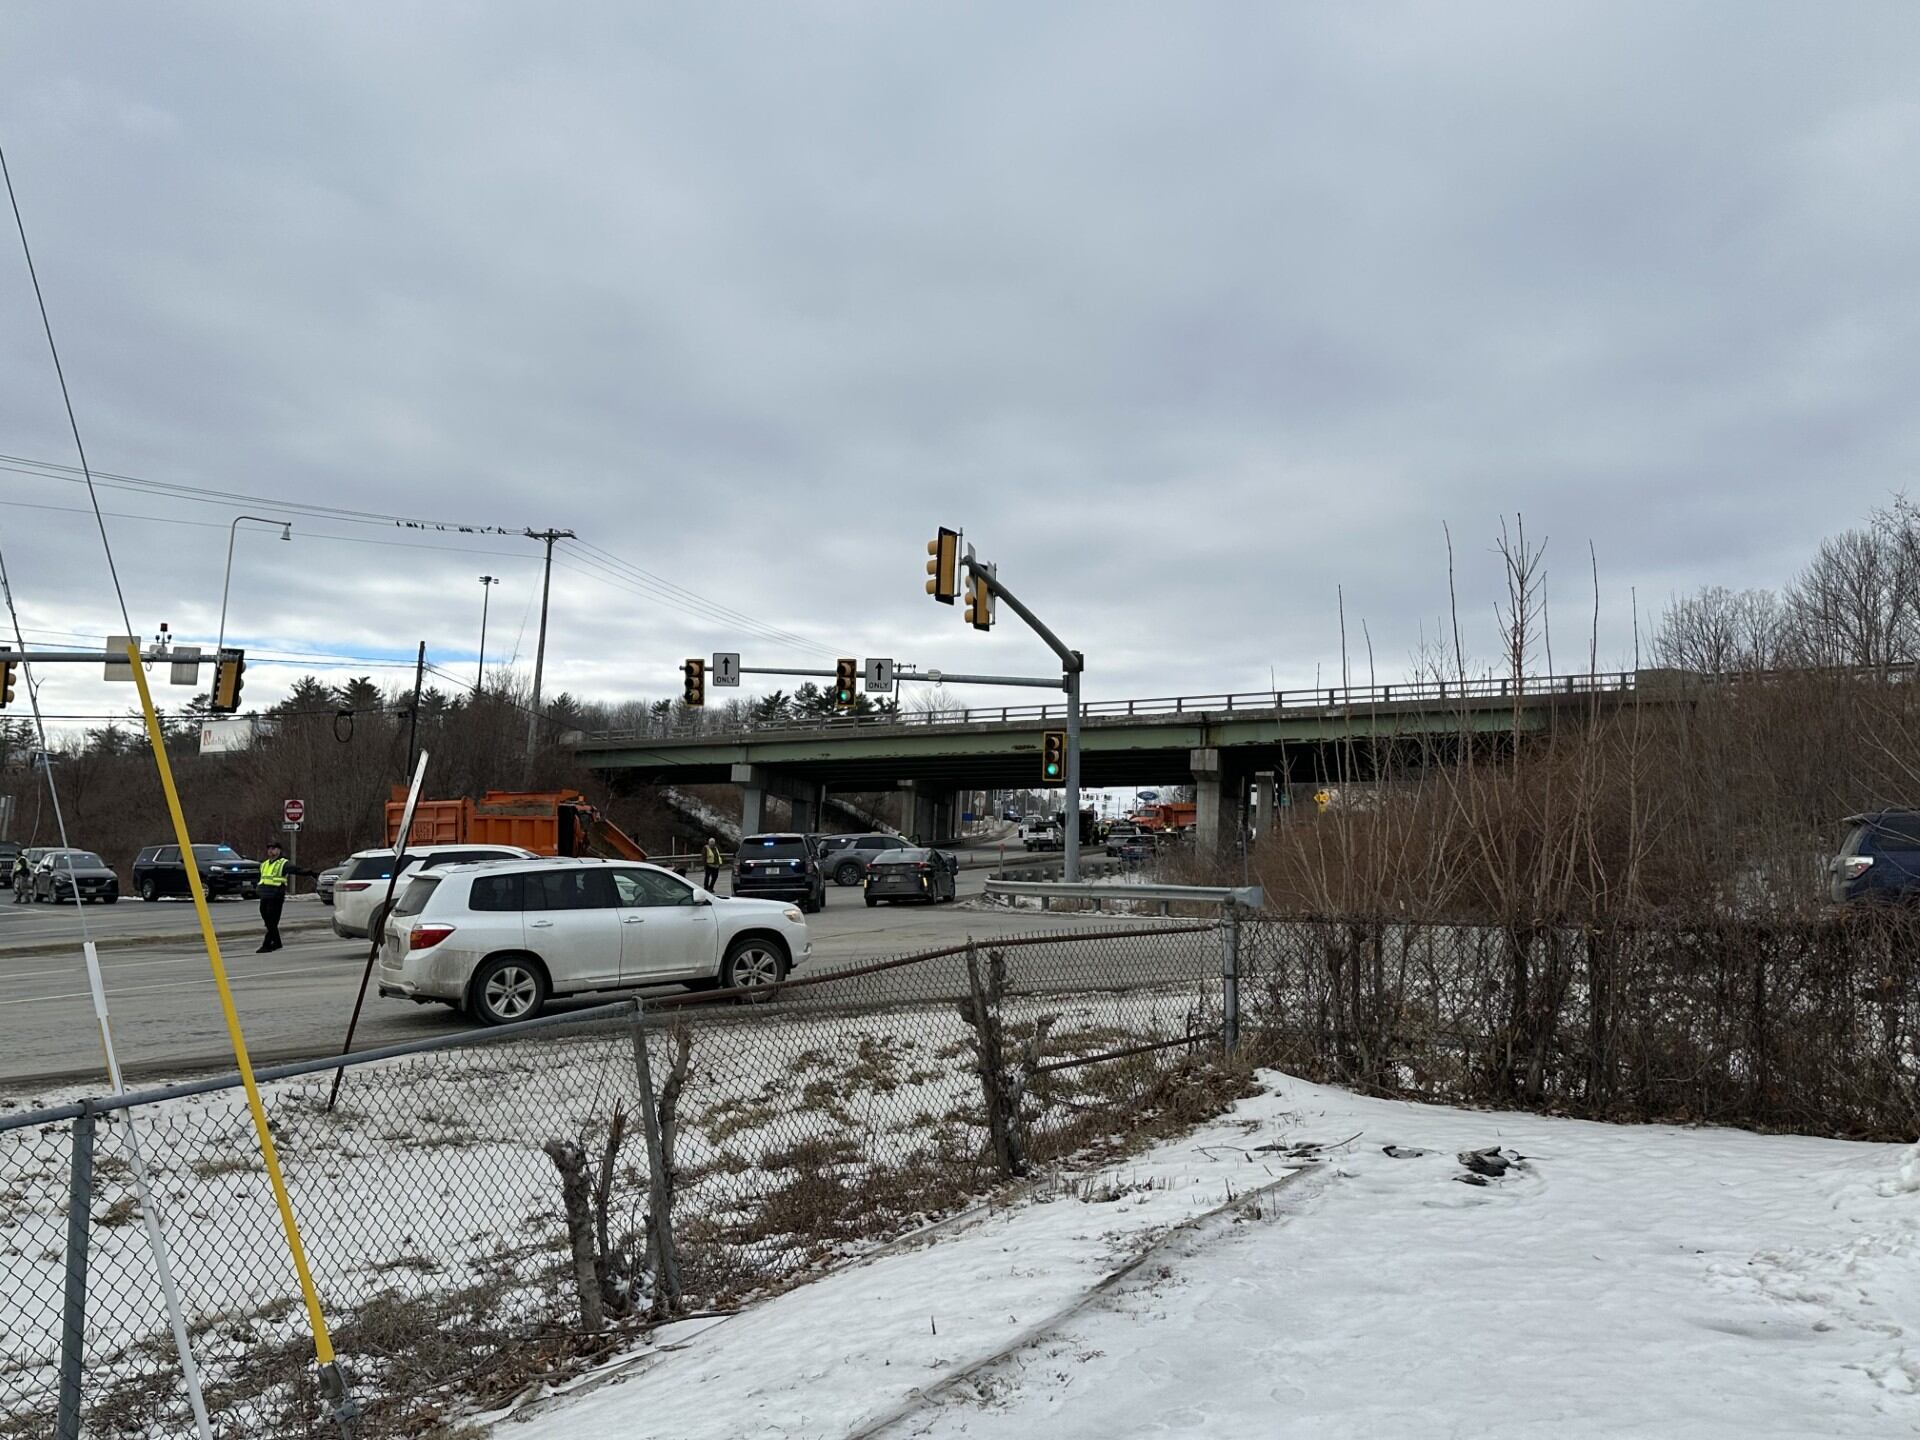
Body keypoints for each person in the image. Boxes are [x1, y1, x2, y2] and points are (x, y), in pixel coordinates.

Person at [255, 841, 314, 953]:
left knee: (272, 921)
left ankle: (267, 945)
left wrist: (310, 873)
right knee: (267, 920)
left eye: (273, 848)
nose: (271, 850)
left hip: (276, 895)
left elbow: (297, 870)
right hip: (265, 895)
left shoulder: (283, 863)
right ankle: (277, 942)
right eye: (269, 848)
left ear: (279, 850)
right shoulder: (264, 864)